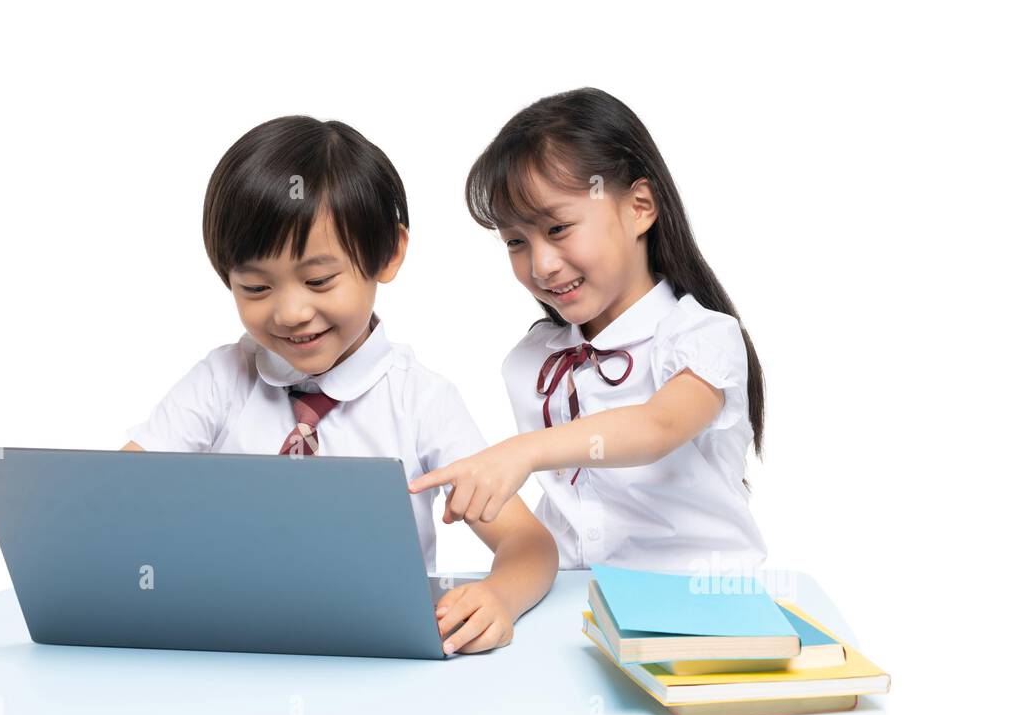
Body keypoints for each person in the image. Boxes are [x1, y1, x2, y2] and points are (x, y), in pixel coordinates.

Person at [124, 115, 557, 654]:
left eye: (319, 280)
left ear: (388, 255)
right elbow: (124, 493)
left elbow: (529, 543)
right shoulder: (219, 381)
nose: (290, 311)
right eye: (256, 286)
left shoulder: (420, 401)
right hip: (232, 648)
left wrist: (499, 595)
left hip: (375, 656)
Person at [410, 88, 769, 577]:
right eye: (516, 241)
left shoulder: (700, 335)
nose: (541, 264)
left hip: (699, 602)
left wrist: (522, 452)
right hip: (571, 600)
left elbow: (656, 428)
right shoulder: (531, 360)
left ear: (639, 207)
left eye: (558, 229)